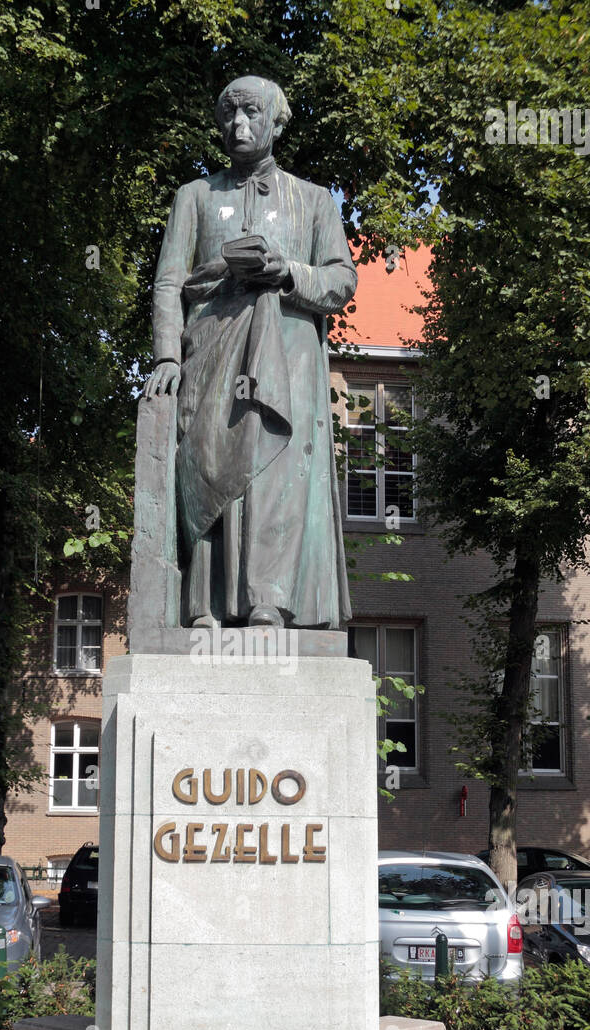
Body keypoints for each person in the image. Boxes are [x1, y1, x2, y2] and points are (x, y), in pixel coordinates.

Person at [143, 75, 356, 630]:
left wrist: (289, 271)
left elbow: (341, 281)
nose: (238, 124)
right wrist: (166, 356)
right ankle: (207, 604)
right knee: (210, 462)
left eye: (251, 113)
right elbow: (168, 282)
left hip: (287, 352)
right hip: (212, 347)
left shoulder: (313, 200)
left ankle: (270, 599)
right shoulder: (194, 196)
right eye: (229, 114)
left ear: (277, 123)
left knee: (275, 475)